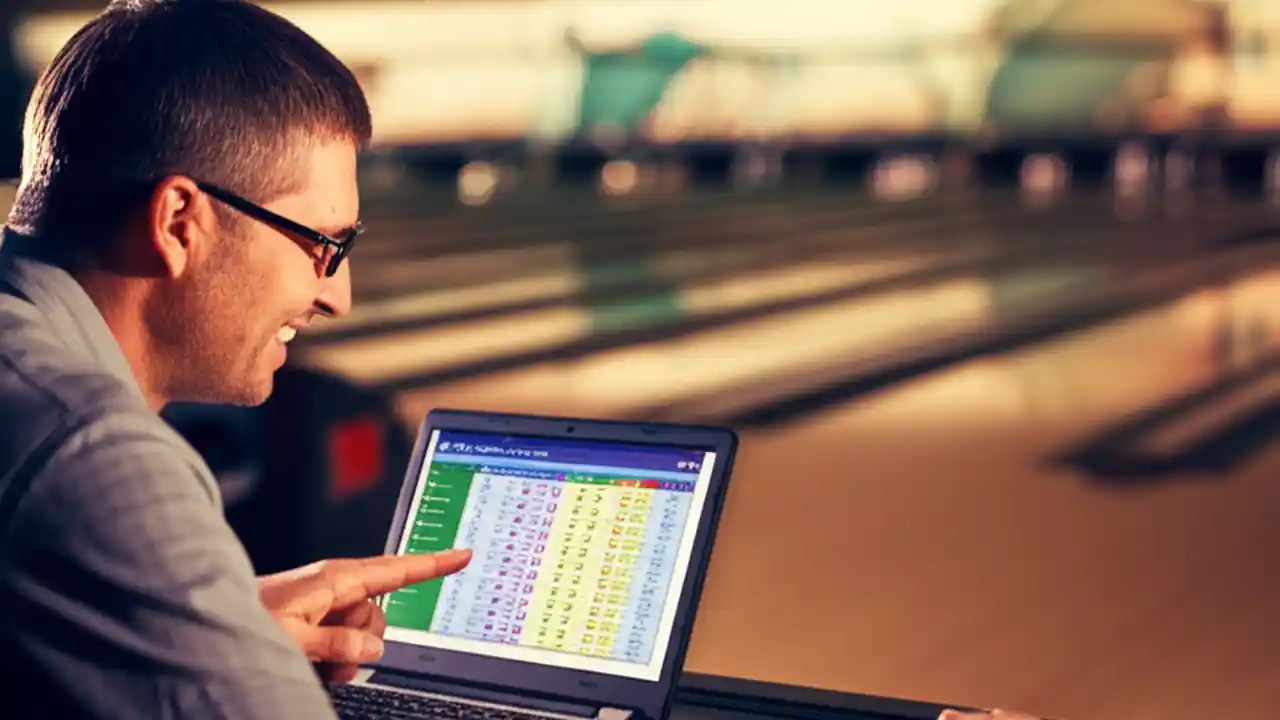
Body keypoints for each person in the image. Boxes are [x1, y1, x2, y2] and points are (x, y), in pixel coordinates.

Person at [0, 1, 471, 717]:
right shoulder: (96, 455)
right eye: (324, 244)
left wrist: (198, 628)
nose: (337, 296)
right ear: (178, 221)